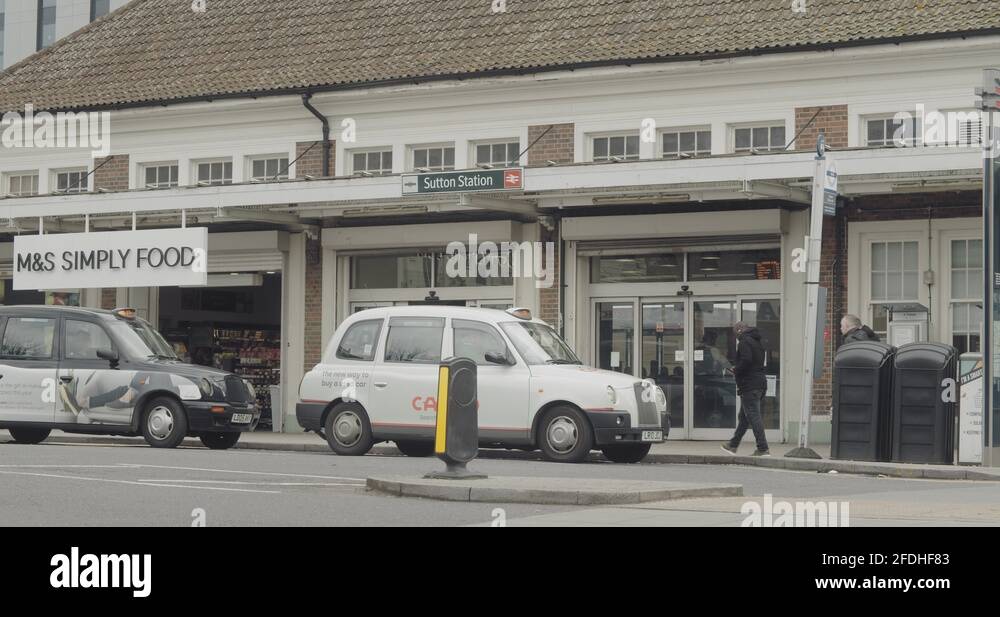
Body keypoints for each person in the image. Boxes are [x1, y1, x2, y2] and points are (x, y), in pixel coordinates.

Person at [721, 321, 769, 456]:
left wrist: (736, 370)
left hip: (750, 384)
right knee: (744, 417)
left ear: (740, 330)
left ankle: (763, 448)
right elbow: (755, 362)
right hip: (760, 383)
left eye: (736, 333)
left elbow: (746, 360)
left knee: (753, 416)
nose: (736, 336)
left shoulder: (744, 342)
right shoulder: (758, 342)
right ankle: (733, 444)